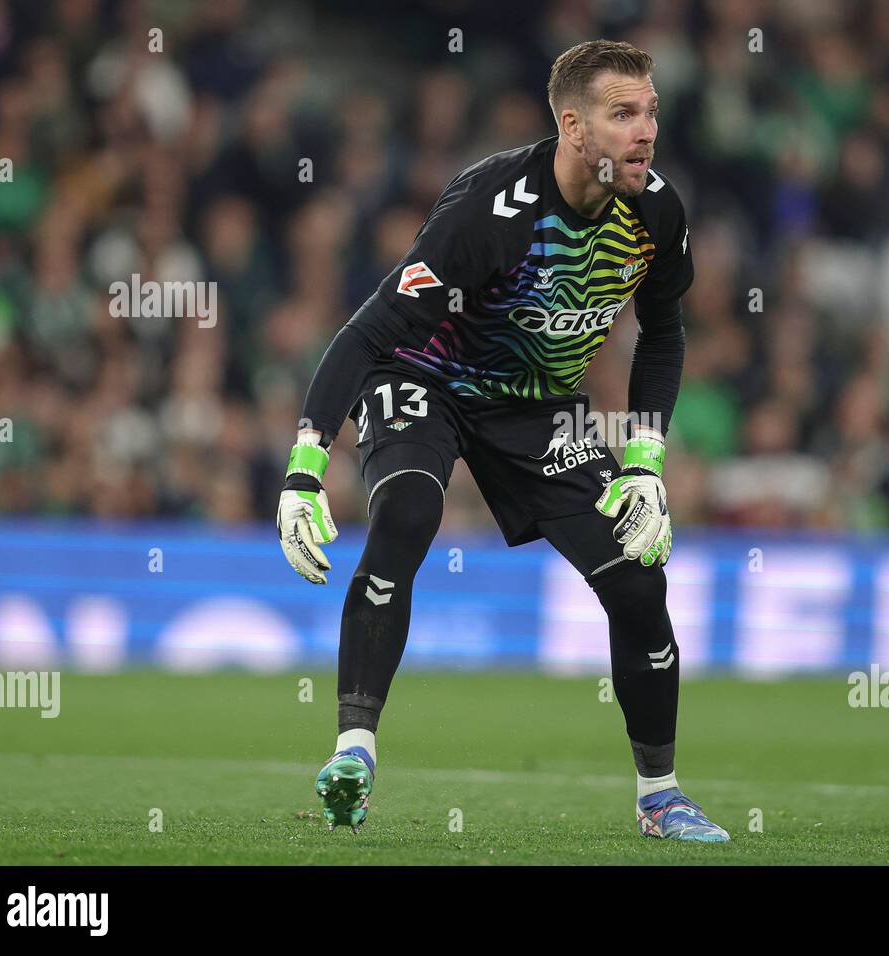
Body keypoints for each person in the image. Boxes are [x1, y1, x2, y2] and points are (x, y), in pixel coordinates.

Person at [276, 40, 728, 841]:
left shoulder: (657, 211)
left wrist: (647, 461)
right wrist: (305, 468)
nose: (646, 131)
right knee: (408, 515)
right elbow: (367, 330)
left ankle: (660, 796)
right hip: (428, 378)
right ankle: (354, 752)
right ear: (573, 127)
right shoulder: (489, 211)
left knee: (637, 580)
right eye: (624, 115)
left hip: (539, 408)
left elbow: (663, 336)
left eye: (651, 111)